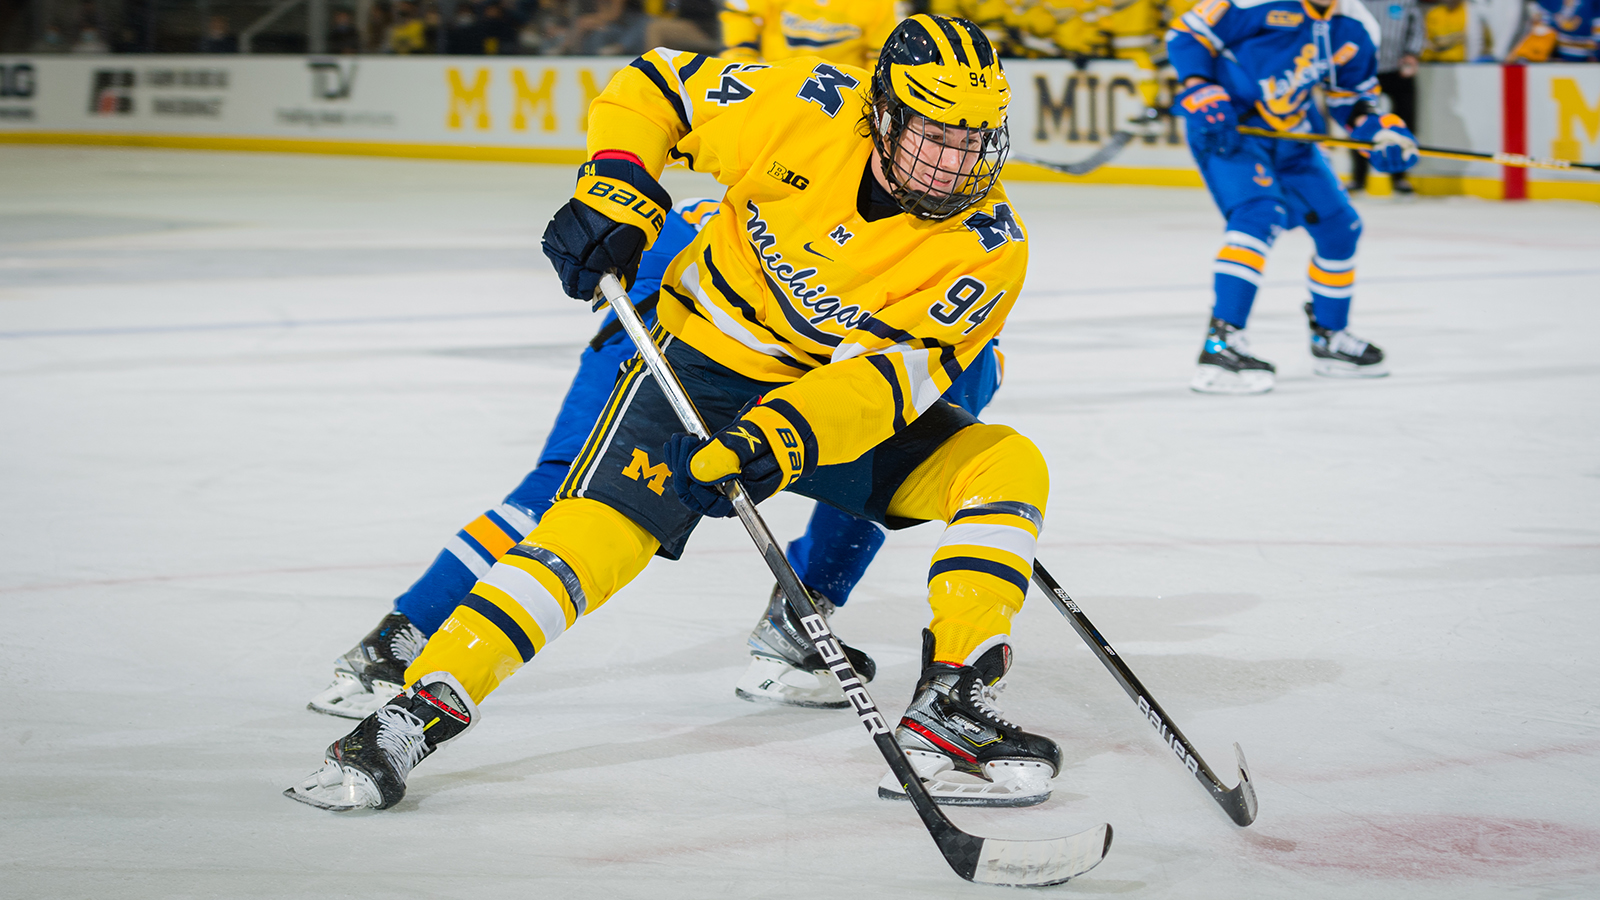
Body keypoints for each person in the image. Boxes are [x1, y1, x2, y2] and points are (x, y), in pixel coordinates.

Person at [288, 14, 1064, 814]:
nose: (951, 164)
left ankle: (950, 708)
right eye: (932, 136)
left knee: (1003, 462)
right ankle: (410, 712)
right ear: (884, 116)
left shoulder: (990, 243)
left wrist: (783, 437)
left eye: (971, 141)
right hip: (696, 364)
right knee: (587, 529)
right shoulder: (803, 107)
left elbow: (885, 385)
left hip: (820, 403)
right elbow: (659, 82)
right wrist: (613, 185)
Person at [1168, 0, 1413, 394]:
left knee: (1340, 228)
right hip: (1230, 128)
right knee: (1259, 215)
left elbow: (1352, 99)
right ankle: (1222, 345)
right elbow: (1187, 33)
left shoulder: (1355, 25)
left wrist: (1382, 133)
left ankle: (1329, 338)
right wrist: (1200, 85)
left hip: (1293, 135)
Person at [1348, 0, 1423, 194]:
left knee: (1403, 122)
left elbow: (1417, 27)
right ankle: (1358, 178)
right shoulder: (1355, 3)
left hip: (1397, 70)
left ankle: (1400, 178)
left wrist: (1412, 53)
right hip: (1365, 70)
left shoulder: (1405, 1)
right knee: (1360, 122)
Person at [721, 0, 899, 68]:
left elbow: (880, 54)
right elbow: (742, 15)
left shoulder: (881, 4)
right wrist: (743, 60)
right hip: (773, 77)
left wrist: (868, 91)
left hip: (841, 92)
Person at [1507, 0, 1599, 61]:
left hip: (1587, 62)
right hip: (1550, 63)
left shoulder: (1593, 3)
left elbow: (1597, 35)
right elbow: (1539, 30)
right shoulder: (1547, 2)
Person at [1422, 0, 1496, 61]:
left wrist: (1444, 40)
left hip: (1464, 64)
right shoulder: (1433, 13)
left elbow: (1486, 41)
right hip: (1433, 64)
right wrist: (1456, 37)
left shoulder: (1470, 11)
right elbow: (1431, 43)